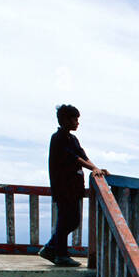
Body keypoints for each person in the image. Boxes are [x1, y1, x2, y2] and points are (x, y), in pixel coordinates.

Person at [40, 104, 108, 267]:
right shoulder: (58, 138)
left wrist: (96, 168)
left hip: (73, 187)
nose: (77, 122)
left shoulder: (72, 139)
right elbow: (73, 158)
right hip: (63, 187)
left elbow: (83, 155)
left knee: (72, 220)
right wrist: (93, 168)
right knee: (67, 220)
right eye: (74, 119)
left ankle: (51, 248)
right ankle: (60, 254)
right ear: (64, 119)